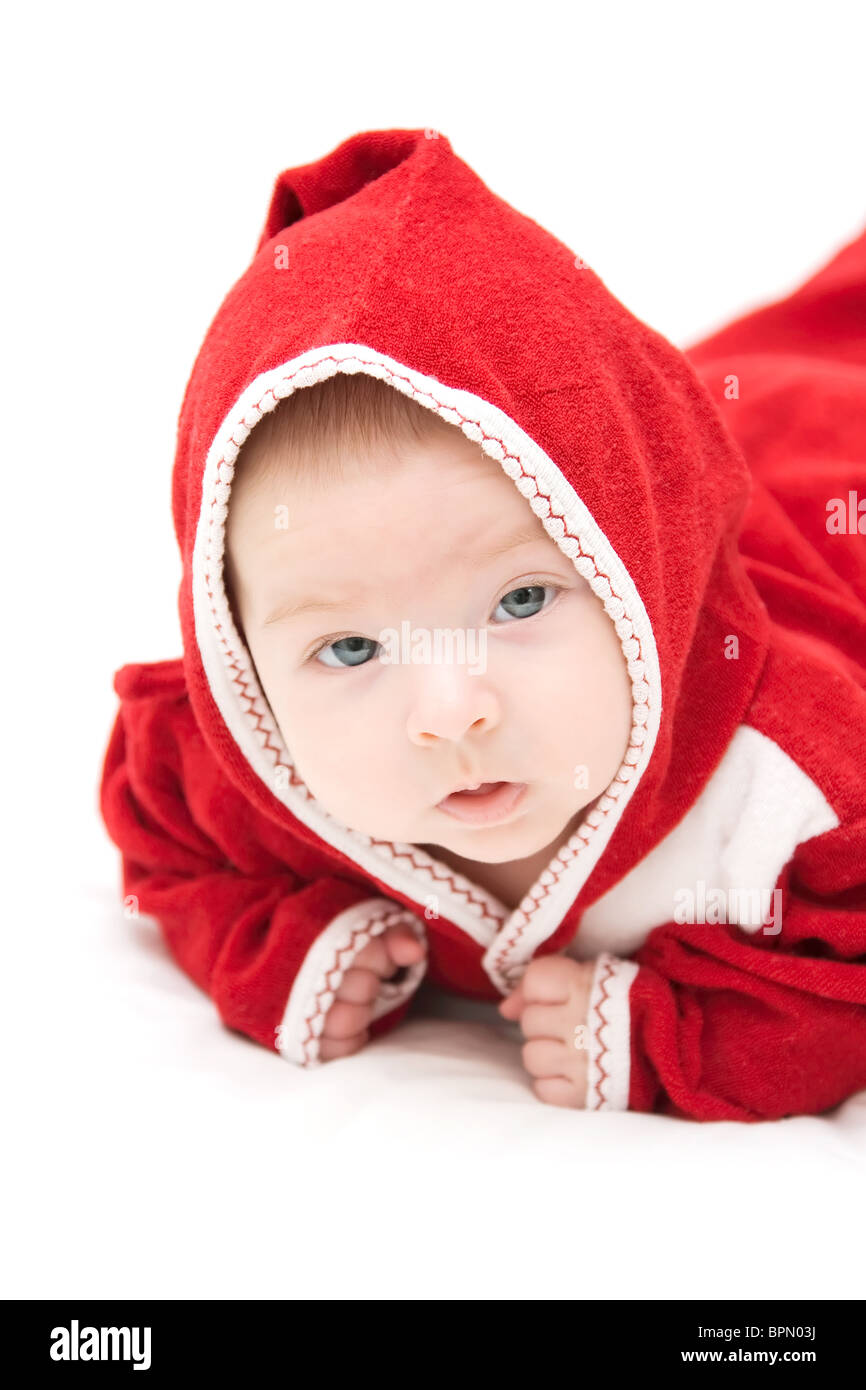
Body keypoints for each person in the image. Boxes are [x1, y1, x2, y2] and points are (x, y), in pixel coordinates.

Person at [99, 126, 866, 1122]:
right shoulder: (251, 771)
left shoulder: (790, 778)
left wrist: (676, 1035)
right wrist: (288, 942)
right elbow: (162, 835)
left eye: (518, 601)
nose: (450, 712)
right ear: (241, 669)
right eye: (350, 648)